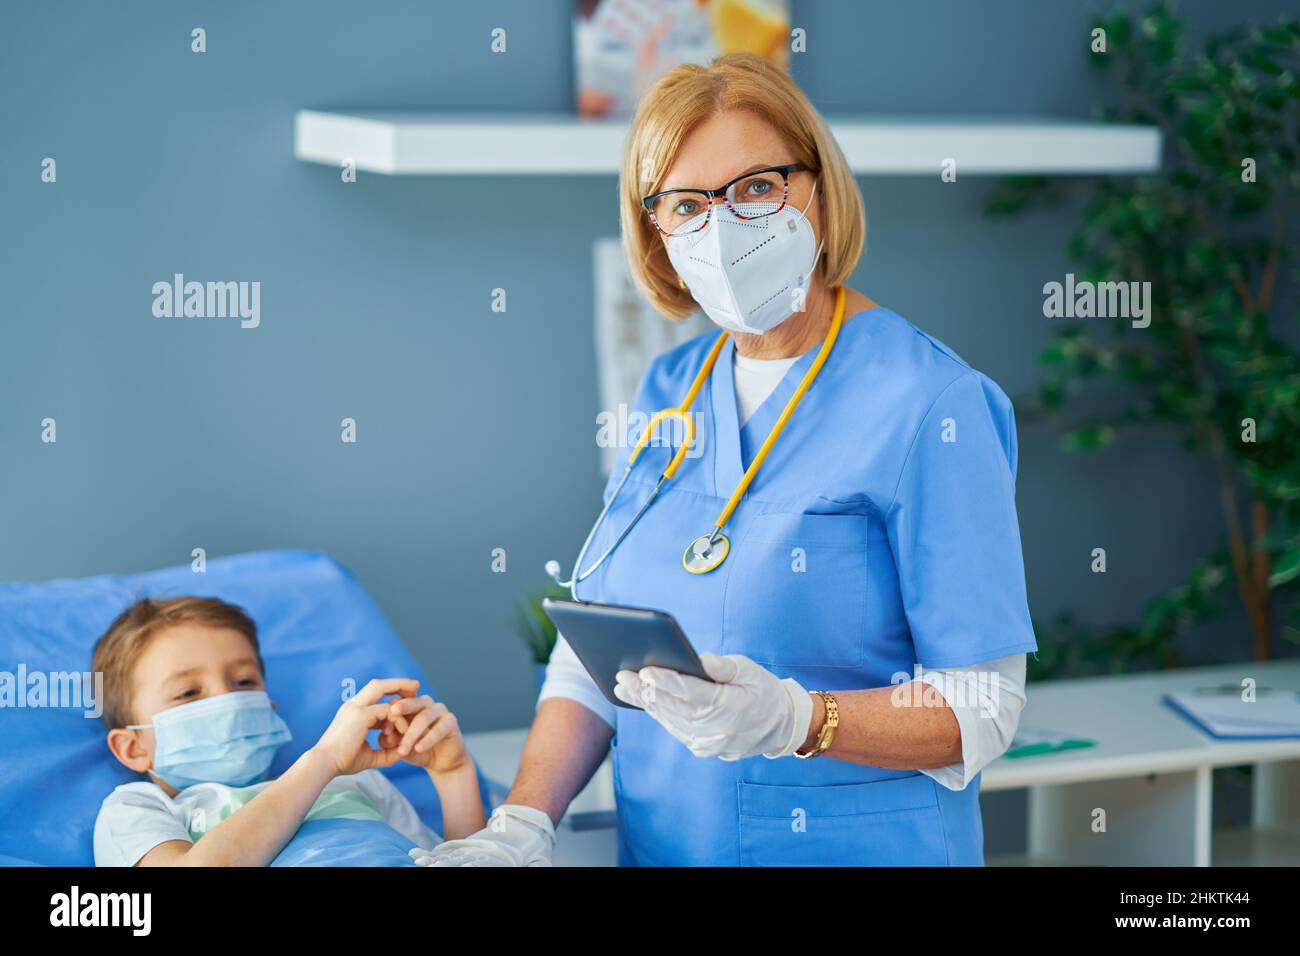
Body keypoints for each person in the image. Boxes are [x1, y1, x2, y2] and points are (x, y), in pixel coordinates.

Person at [418, 52, 1037, 867]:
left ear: (817, 186)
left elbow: (983, 709)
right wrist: (524, 823)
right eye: (686, 203)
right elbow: (592, 651)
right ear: (657, 230)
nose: (723, 224)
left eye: (756, 186)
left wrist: (799, 720)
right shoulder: (671, 388)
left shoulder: (932, 404)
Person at [92, 596, 483, 866]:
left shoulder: (355, 784)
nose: (229, 702)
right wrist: (323, 760)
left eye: (244, 683)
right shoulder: (137, 808)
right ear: (132, 747)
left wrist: (452, 776)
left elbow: (460, 862)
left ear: (269, 708)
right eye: (188, 692)